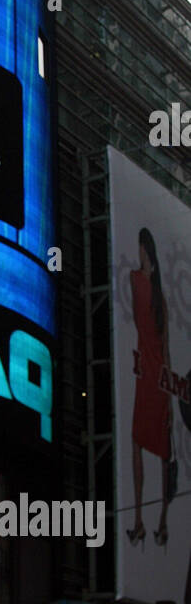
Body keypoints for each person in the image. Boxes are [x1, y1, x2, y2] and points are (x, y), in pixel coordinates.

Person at [128, 229, 174, 547]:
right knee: (161, 451)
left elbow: (134, 317)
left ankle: (140, 520)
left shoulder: (136, 280)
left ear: (144, 249)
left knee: (138, 443)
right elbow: (168, 351)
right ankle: (161, 522)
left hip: (146, 375)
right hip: (159, 379)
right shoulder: (161, 299)